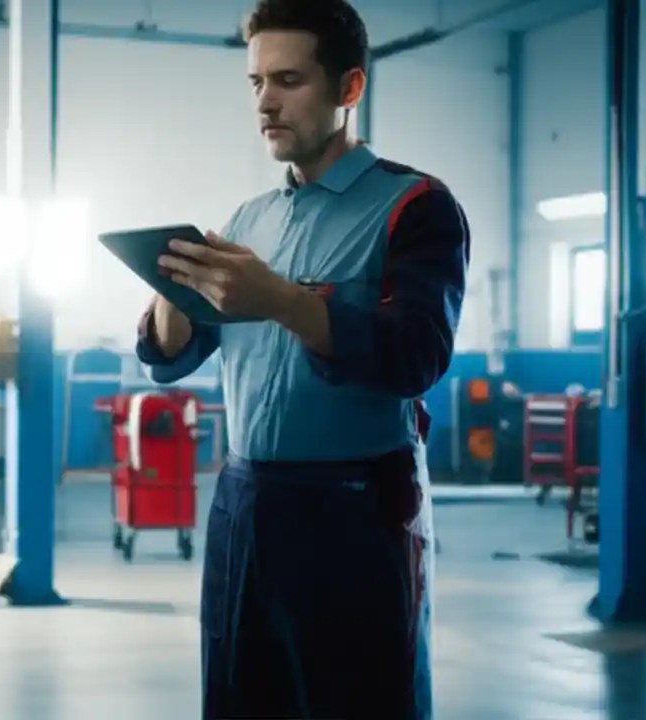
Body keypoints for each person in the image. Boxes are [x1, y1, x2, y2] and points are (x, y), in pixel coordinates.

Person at [135, 0, 470, 718]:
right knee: (237, 693)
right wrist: (169, 292)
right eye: (255, 82)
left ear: (349, 89)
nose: (264, 102)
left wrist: (283, 299)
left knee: (356, 699)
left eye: (288, 80)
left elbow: (416, 355)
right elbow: (175, 354)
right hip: (246, 503)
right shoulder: (250, 220)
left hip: (356, 510)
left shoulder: (415, 207)